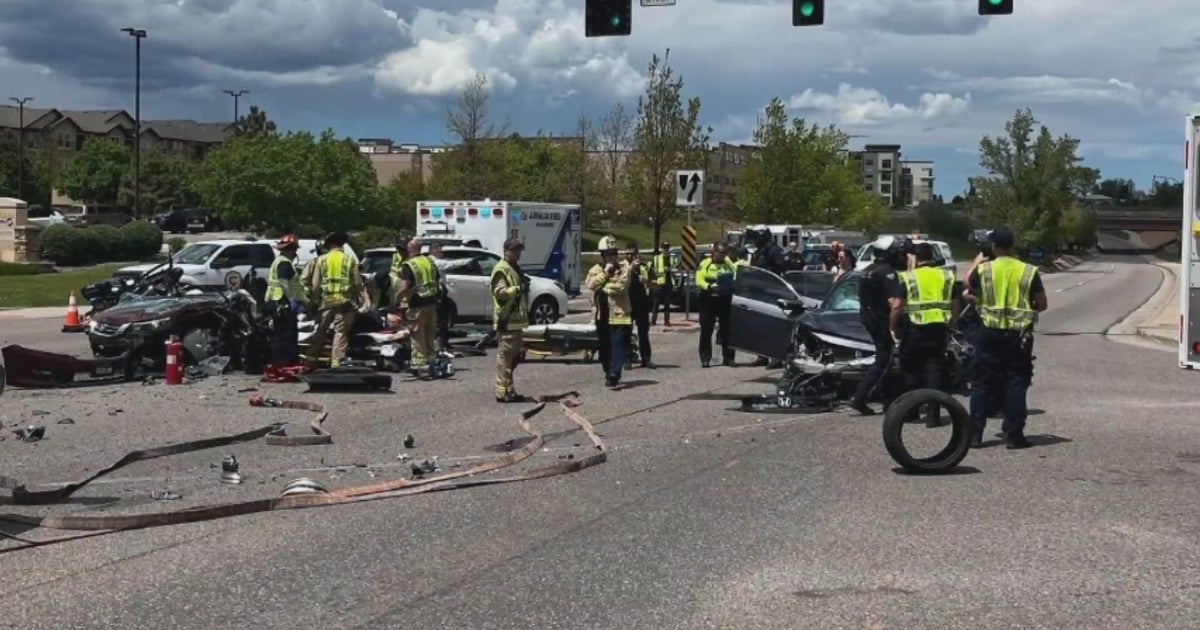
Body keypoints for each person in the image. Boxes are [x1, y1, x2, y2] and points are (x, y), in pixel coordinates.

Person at [962, 227, 1048, 449]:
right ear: (1012, 246)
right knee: (1016, 383)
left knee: (981, 384)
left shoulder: (984, 270)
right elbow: (1043, 304)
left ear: (993, 247)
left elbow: (968, 287)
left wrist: (977, 263)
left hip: (989, 333)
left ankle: (975, 435)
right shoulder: (1028, 271)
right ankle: (1013, 435)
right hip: (1018, 336)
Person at [891, 243, 959, 427]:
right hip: (938, 329)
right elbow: (955, 304)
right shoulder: (946, 275)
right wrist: (951, 323)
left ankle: (912, 412)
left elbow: (897, 306)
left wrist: (893, 327)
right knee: (934, 370)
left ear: (915, 257)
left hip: (915, 329)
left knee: (910, 369)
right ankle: (933, 416)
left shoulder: (908, 277)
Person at [849, 236, 905, 415]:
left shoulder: (867, 270)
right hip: (881, 321)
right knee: (882, 360)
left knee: (886, 360)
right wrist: (895, 325)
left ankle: (887, 399)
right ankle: (860, 397)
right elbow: (894, 303)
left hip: (869, 318)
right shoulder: (887, 273)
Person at [305, 231, 366, 368]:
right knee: (340, 332)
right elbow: (357, 283)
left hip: (327, 301)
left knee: (321, 330)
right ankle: (336, 363)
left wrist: (314, 302)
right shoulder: (349, 259)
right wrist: (362, 300)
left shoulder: (322, 260)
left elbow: (315, 285)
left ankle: (310, 360)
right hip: (345, 302)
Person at [585, 236, 632, 387]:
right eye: (609, 254)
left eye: (614, 253)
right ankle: (608, 372)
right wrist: (605, 274)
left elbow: (620, 287)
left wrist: (604, 287)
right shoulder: (596, 269)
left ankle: (615, 373)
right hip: (602, 315)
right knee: (604, 348)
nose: (612, 257)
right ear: (603, 256)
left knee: (618, 345)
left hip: (620, 314)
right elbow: (591, 285)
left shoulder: (624, 268)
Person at [491, 238, 530, 402]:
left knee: (514, 357)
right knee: (505, 357)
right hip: (507, 320)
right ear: (506, 251)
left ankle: (509, 389)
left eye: (519, 250)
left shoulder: (514, 268)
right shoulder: (502, 269)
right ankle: (502, 392)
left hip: (517, 321)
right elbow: (499, 292)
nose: (517, 253)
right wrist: (516, 289)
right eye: (514, 250)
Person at [395, 239, 440, 372]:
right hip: (431, 303)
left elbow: (404, 286)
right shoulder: (429, 262)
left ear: (409, 250)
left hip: (417, 305)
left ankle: (419, 364)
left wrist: (396, 301)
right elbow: (437, 281)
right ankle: (431, 361)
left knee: (417, 336)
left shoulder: (410, 265)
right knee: (430, 335)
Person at [263, 234, 306, 364]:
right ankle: (286, 363)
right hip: (282, 302)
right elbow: (284, 282)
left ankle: (280, 362)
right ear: (291, 250)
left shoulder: (278, 261)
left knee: (279, 335)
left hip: (274, 301)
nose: (296, 253)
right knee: (287, 336)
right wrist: (292, 299)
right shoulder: (284, 263)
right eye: (295, 250)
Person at [695, 242, 737, 368]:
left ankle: (728, 358)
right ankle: (705, 358)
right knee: (706, 329)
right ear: (715, 252)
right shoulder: (705, 263)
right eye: (722, 253)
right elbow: (699, 280)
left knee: (727, 330)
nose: (724, 255)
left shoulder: (727, 262)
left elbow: (735, 273)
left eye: (726, 253)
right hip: (708, 299)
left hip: (724, 299)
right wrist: (708, 286)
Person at [623, 242, 654, 368]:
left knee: (643, 332)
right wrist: (631, 268)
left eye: (633, 254)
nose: (630, 256)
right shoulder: (622, 266)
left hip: (642, 303)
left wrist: (647, 281)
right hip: (627, 302)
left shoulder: (645, 267)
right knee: (626, 332)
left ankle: (646, 359)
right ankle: (627, 359)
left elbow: (655, 283)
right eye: (628, 254)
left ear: (637, 254)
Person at [428, 242, 453, 352]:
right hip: (436, 294)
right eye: (439, 250)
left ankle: (442, 342)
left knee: (444, 319)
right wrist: (469, 261)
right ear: (433, 250)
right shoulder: (433, 261)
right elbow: (450, 265)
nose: (441, 252)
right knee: (439, 320)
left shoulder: (434, 261)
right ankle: (439, 344)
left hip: (441, 292)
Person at [650, 241, 675, 327]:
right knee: (656, 303)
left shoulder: (672, 259)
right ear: (661, 249)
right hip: (659, 283)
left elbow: (676, 270)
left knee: (667, 303)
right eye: (664, 248)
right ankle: (653, 321)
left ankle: (667, 321)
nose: (665, 250)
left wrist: (671, 270)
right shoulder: (656, 258)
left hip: (668, 283)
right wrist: (654, 279)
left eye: (667, 248)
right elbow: (652, 270)